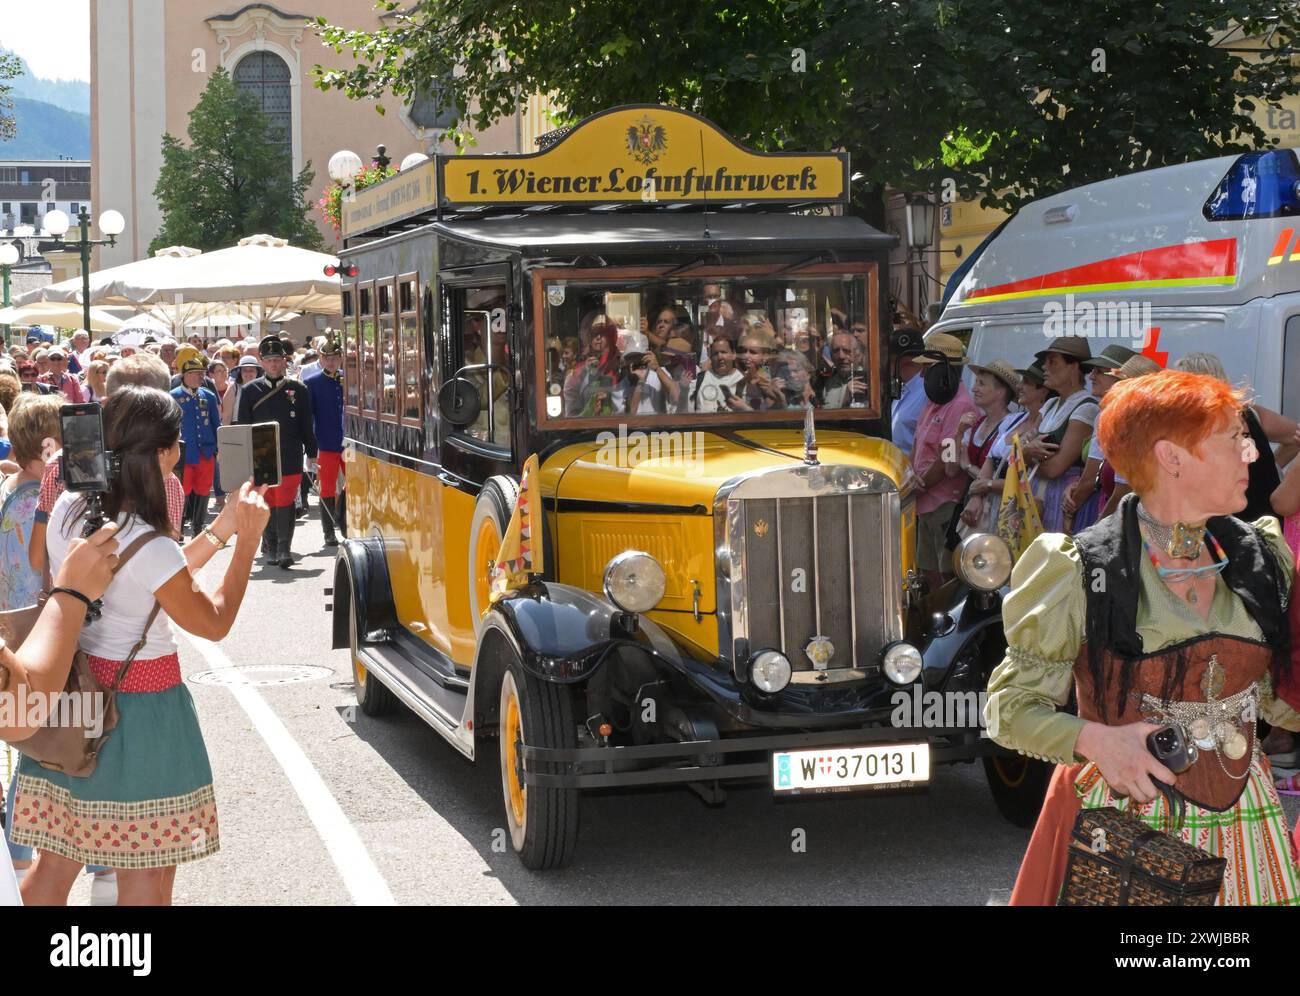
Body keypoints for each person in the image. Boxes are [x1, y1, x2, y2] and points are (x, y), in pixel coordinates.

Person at [988, 369, 1300, 905]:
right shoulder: (1077, 566)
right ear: (1172, 457)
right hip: (1123, 832)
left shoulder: (1262, 555)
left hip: (1250, 820)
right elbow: (1008, 710)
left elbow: (1276, 697)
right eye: (1234, 441)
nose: (1251, 455)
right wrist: (1097, 740)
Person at [13, 387, 270, 906]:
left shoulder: (69, 508)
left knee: (51, 871)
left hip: (75, 702)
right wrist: (246, 543)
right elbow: (212, 621)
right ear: (161, 455)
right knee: (146, 877)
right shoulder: (150, 543)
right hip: (143, 717)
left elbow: (159, 573)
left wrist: (221, 528)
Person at [237, 335, 317, 568]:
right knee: (268, 501)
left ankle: (284, 548)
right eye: (269, 359)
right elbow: (243, 426)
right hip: (262, 454)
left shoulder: (297, 389)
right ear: (262, 362)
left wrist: (312, 453)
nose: (273, 363)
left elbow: (305, 424)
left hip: (290, 453)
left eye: (277, 359)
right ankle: (270, 545)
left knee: (285, 501)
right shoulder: (251, 390)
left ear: (285, 361)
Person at [910, 332, 979, 588]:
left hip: (943, 505)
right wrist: (910, 479)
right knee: (927, 572)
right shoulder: (932, 402)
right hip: (924, 502)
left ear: (943, 372)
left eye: (926, 369)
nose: (920, 375)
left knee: (945, 577)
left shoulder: (961, 406)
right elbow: (918, 444)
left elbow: (947, 457)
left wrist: (920, 483)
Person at [1021, 336, 1098, 532]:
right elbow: (1019, 449)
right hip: (1036, 495)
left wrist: (1027, 453)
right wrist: (1027, 451)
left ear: (1074, 366)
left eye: (1052, 362)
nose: (1044, 367)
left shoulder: (1086, 408)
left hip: (1059, 500)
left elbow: (1055, 468)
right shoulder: (1050, 404)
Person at [955, 359, 1020, 533]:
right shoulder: (977, 423)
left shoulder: (1010, 427)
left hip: (991, 511)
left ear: (1000, 392)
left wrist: (967, 466)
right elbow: (950, 468)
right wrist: (959, 433)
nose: (974, 388)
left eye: (981, 384)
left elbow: (1000, 476)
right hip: (966, 505)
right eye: (976, 382)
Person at [171, 356, 221, 539]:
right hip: (183, 453)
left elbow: (216, 423)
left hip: (206, 451)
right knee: (182, 490)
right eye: (194, 374)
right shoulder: (173, 396)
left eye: (201, 373)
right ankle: (179, 528)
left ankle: (198, 528)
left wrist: (219, 448)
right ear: (184, 375)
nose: (199, 377)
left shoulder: (208, 395)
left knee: (203, 489)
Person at [304, 339, 345, 547]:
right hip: (326, 443)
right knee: (327, 488)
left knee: (356, 486)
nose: (331, 362)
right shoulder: (312, 383)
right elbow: (308, 418)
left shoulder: (350, 380)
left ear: (341, 358)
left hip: (349, 444)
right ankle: (329, 532)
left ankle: (348, 524)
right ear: (320, 359)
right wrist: (310, 446)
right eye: (327, 358)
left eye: (335, 358)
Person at [818, 331, 869, 409]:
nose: (841, 356)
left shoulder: (867, 381)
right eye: (836, 351)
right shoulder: (828, 383)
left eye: (846, 351)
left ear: (857, 355)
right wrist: (845, 398)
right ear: (831, 356)